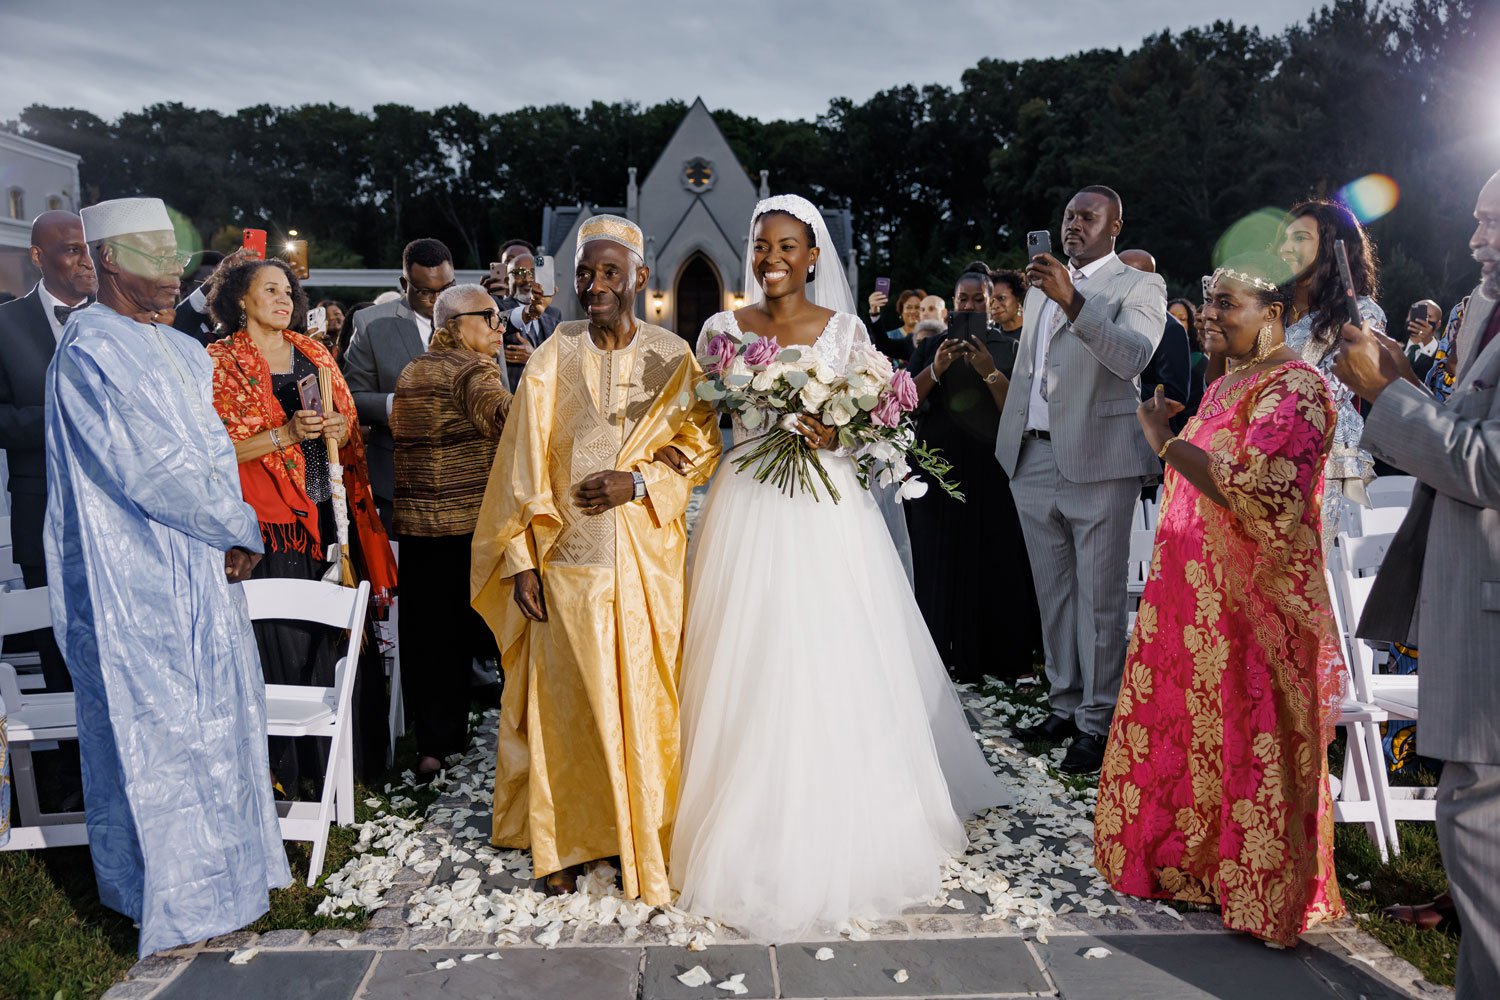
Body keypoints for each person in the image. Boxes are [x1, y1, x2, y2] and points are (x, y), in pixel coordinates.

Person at [672, 196, 1008, 942]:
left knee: (829, 656)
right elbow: (702, 417)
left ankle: (842, 818)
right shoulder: (722, 330)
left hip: (826, 512)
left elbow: (884, 414)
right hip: (747, 502)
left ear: (813, 255)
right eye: (762, 245)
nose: (772, 258)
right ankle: (738, 817)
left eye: (787, 246)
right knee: (747, 656)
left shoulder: (847, 332)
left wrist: (838, 429)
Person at [45, 197, 290, 956]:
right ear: (111, 259)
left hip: (203, 569)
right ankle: (169, 901)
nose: (175, 266)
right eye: (155, 251)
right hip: (135, 581)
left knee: (219, 721)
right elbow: (144, 468)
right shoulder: (90, 350)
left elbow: (214, 456)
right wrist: (236, 524)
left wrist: (231, 529)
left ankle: (236, 881)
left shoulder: (183, 351)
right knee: (155, 733)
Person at [1095, 251, 1345, 945]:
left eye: (1226, 304)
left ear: (1274, 313)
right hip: (1198, 603)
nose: (1208, 315)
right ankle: (1199, 869)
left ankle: (1262, 892)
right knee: (1200, 739)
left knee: (1251, 742)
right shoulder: (1236, 382)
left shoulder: (1294, 388)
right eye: (1207, 301)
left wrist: (1163, 442)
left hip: (1254, 605)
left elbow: (1263, 492)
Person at [471, 214, 721, 902]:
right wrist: (520, 556)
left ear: (640, 277)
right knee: (564, 702)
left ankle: (640, 827)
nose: (596, 285)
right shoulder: (555, 353)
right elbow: (519, 461)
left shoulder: (675, 357)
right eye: (586, 272)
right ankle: (561, 840)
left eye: (611, 272)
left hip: (645, 560)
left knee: (645, 697)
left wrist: (637, 482)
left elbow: (701, 449)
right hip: (565, 560)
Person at [1333, 168, 1500, 997]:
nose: (1475, 241)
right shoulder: (1486, 318)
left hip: (1492, 606)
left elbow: (1492, 466)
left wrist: (1388, 396)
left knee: (1478, 820)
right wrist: (1411, 384)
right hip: (1473, 592)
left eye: (1491, 225)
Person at [205, 257, 395, 799]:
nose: (285, 299)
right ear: (240, 298)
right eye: (270, 290)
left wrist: (338, 424)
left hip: (326, 511)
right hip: (265, 525)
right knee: (281, 642)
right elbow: (215, 450)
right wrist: (285, 435)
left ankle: (341, 766)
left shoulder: (314, 352)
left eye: (288, 290)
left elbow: (346, 423)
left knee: (332, 638)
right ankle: (282, 770)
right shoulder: (219, 363)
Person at [996, 185, 1167, 774]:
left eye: (1088, 216)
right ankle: (1064, 704)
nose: (1074, 224)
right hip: (1033, 458)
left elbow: (1133, 357)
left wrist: (1072, 301)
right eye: (1068, 215)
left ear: (1115, 225)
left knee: (1099, 601)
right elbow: (1031, 369)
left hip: (1100, 462)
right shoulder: (1044, 284)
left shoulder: (1138, 284)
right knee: (1055, 595)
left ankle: (1099, 722)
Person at [391, 285, 512, 781]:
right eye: (490, 316)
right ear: (456, 324)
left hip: (418, 529)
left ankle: (434, 746)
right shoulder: (472, 371)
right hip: (466, 527)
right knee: (499, 631)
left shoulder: (412, 370)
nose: (500, 325)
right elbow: (507, 418)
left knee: (429, 639)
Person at [907, 264, 1041, 680]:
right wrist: (937, 369)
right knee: (937, 556)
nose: (969, 305)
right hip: (938, 466)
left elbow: (1018, 410)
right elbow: (907, 401)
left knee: (992, 556)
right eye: (962, 300)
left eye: (978, 299)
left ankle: (994, 655)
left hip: (990, 469)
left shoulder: (1009, 347)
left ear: (991, 302)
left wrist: (987, 369)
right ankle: (937, 651)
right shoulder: (933, 345)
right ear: (953, 303)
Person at [0, 210, 96, 694]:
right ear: (38, 257)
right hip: (42, 513)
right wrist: (64, 416)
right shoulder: (3, 324)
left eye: (89, 247)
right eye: (71, 248)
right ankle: (63, 769)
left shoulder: (119, 321)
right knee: (57, 649)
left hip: (119, 512)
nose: (86, 259)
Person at [1277, 200, 1384, 540]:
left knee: (1300, 582)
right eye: (1285, 238)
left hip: (1316, 466)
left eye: (1301, 238)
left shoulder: (1361, 313)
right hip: (1252, 460)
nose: (1287, 248)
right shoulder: (1269, 308)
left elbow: (1328, 390)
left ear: (1333, 246)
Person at [342, 238, 456, 529]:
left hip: (466, 484)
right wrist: (398, 404)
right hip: (397, 486)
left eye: (446, 289)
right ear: (404, 283)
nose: (439, 300)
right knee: (401, 575)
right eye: (426, 292)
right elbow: (352, 398)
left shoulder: (477, 314)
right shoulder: (370, 323)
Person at [1120, 251, 1192, 432]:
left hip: (1144, 436)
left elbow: (1174, 394)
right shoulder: (1106, 318)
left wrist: (1112, 389)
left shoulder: (1171, 329)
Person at [499, 250, 559, 389]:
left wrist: (535, 358)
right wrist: (530, 312)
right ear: (508, 281)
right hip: (510, 399)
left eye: (532, 273)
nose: (527, 279)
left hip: (543, 398)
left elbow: (561, 363)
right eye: (519, 273)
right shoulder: (497, 309)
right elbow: (497, 323)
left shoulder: (553, 322)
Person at [1169, 296, 1208, 423]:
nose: (1175, 322)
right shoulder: (1149, 358)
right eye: (1170, 316)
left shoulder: (1199, 363)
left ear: (1190, 325)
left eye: (1182, 319)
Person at [866, 286, 926, 366]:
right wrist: (874, 312)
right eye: (909, 307)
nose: (913, 311)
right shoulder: (888, 337)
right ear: (901, 311)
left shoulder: (930, 337)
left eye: (917, 307)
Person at [1401, 298, 1441, 382]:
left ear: (1438, 325)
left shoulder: (1443, 357)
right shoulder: (1394, 349)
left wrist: (1427, 341)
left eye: (1428, 317)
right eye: (1414, 314)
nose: (1420, 321)